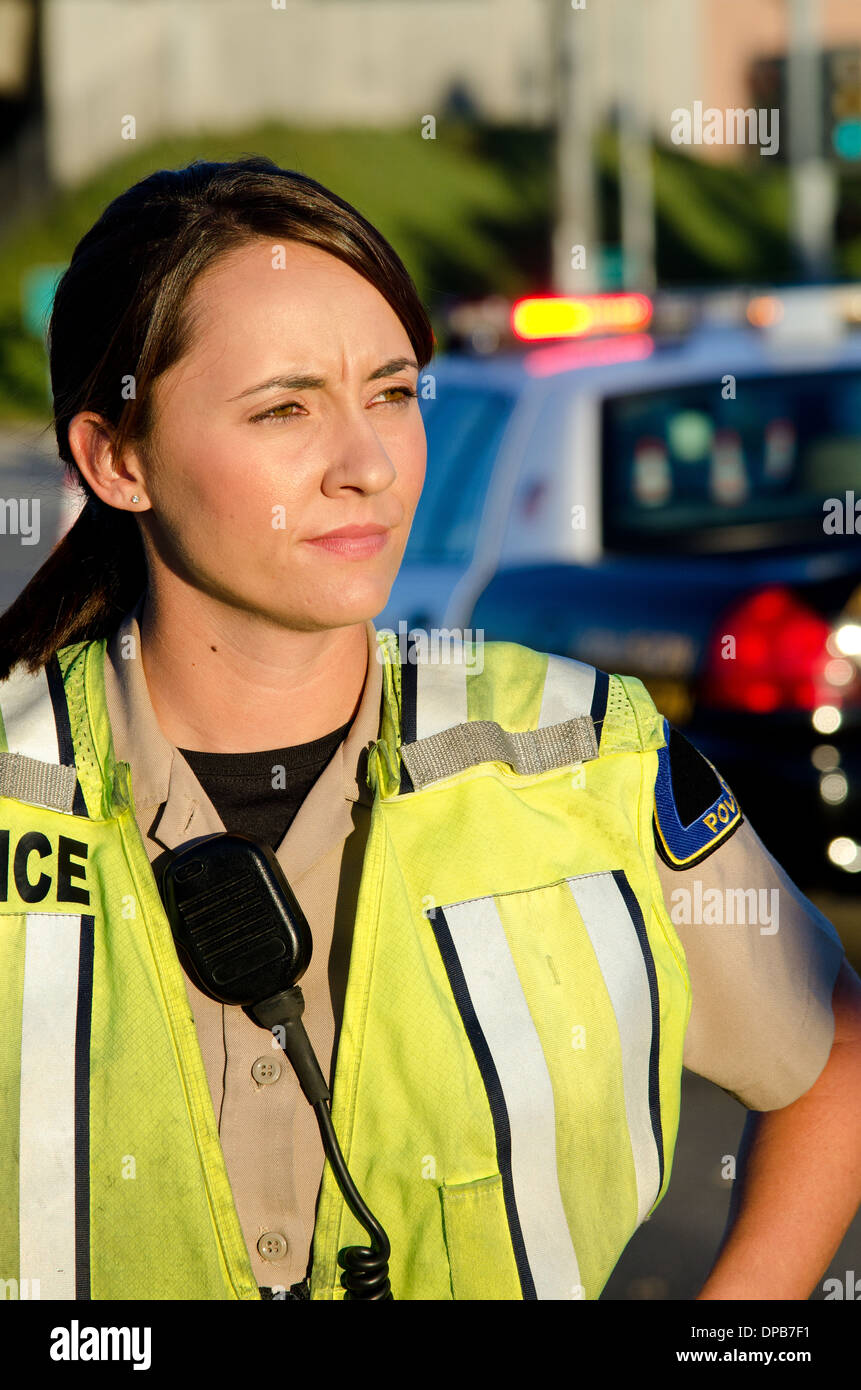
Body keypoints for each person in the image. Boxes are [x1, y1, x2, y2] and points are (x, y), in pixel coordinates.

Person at [0, 157, 858, 1303]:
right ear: (116, 458)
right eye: (285, 408)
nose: (369, 465)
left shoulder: (584, 754)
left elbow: (829, 1057)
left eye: (395, 394)